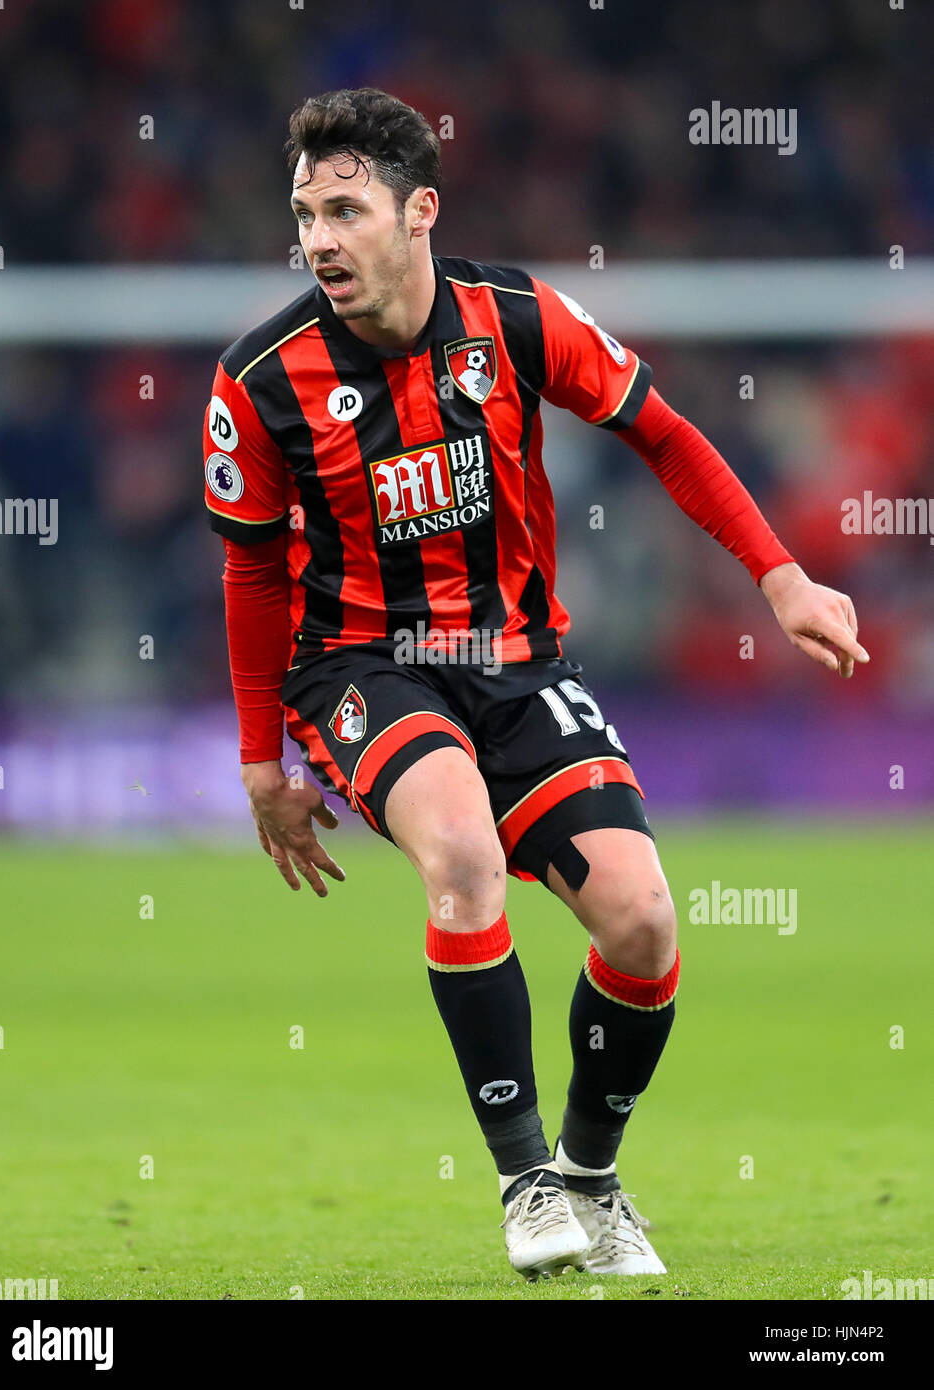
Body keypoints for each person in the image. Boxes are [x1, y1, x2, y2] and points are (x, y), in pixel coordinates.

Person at [202, 88, 868, 1282]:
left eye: (346, 209)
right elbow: (251, 568)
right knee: (459, 853)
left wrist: (781, 579)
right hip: (362, 667)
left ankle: (592, 1180)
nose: (318, 239)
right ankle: (521, 1185)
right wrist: (264, 761)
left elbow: (664, 430)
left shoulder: (515, 318)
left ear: (420, 214)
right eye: (304, 213)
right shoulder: (259, 380)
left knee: (645, 919)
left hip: (517, 662)